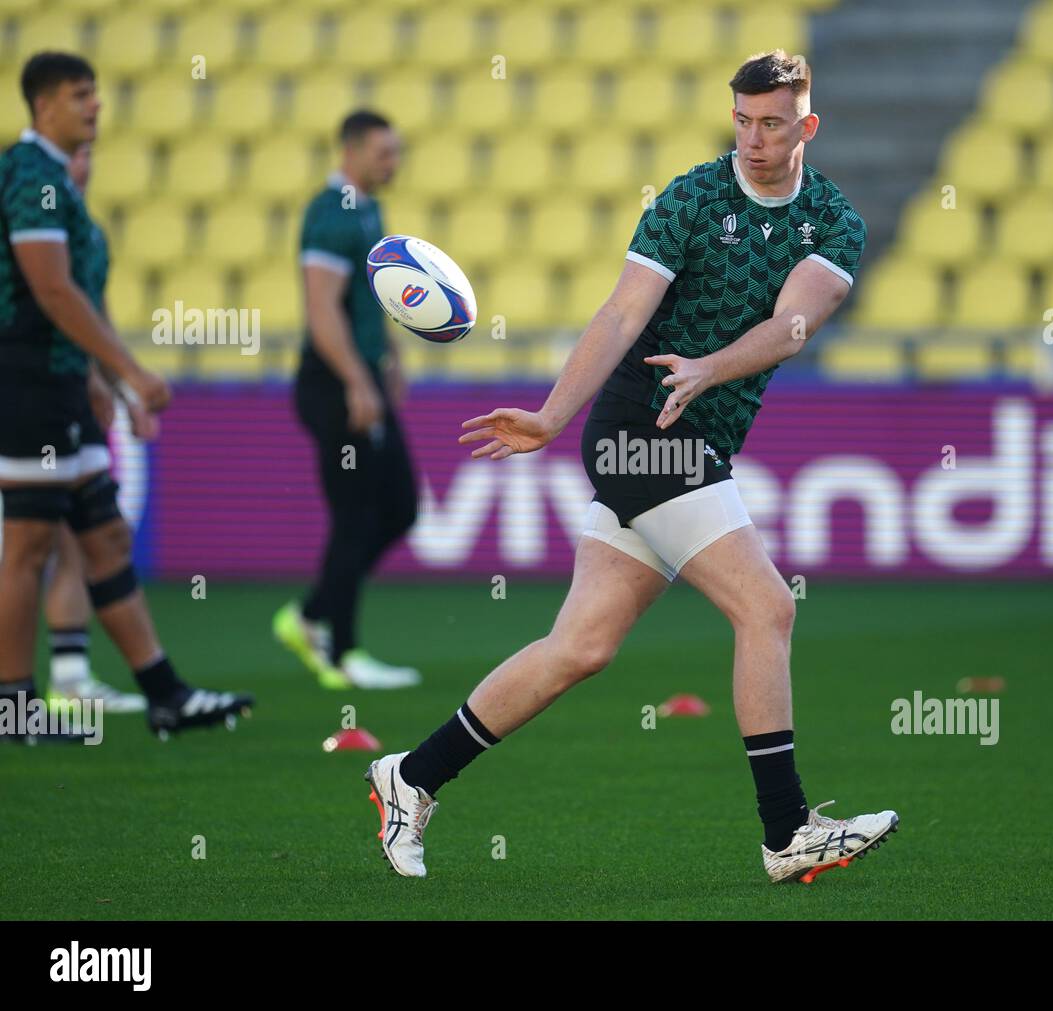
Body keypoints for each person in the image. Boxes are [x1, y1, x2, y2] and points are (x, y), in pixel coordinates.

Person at [364, 51, 898, 884]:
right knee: (766, 608)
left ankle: (411, 775)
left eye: (772, 124)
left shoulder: (833, 221)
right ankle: (788, 831)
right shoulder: (689, 199)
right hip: (638, 429)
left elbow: (794, 325)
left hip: (702, 429)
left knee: (579, 647)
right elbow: (621, 315)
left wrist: (710, 366)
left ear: (806, 126)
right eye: (743, 120)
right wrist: (549, 415)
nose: (754, 140)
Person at [0, 52, 253, 741]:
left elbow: (76, 296)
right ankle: (13, 706)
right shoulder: (30, 176)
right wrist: (133, 373)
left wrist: (110, 382)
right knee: (26, 546)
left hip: (61, 387)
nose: (96, 107)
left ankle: (164, 692)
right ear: (44, 104)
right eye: (82, 95)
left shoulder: (57, 181)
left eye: (97, 95)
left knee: (105, 534)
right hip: (24, 383)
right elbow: (51, 290)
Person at [272, 110, 421, 691]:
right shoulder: (329, 214)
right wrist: (359, 382)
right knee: (355, 515)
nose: (394, 164)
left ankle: (312, 617)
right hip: (333, 383)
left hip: (362, 377)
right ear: (352, 151)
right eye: (385, 153)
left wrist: (388, 359)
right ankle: (341, 649)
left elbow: (371, 294)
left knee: (401, 505)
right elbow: (321, 308)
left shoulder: (369, 211)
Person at [43, 140, 156, 715]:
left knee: (75, 542)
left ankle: (67, 676)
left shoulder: (86, 234)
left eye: (87, 154)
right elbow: (52, 313)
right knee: (45, 543)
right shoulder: (36, 232)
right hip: (35, 399)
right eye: (73, 154)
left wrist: (123, 389)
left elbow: (97, 323)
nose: (81, 164)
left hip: (67, 400)